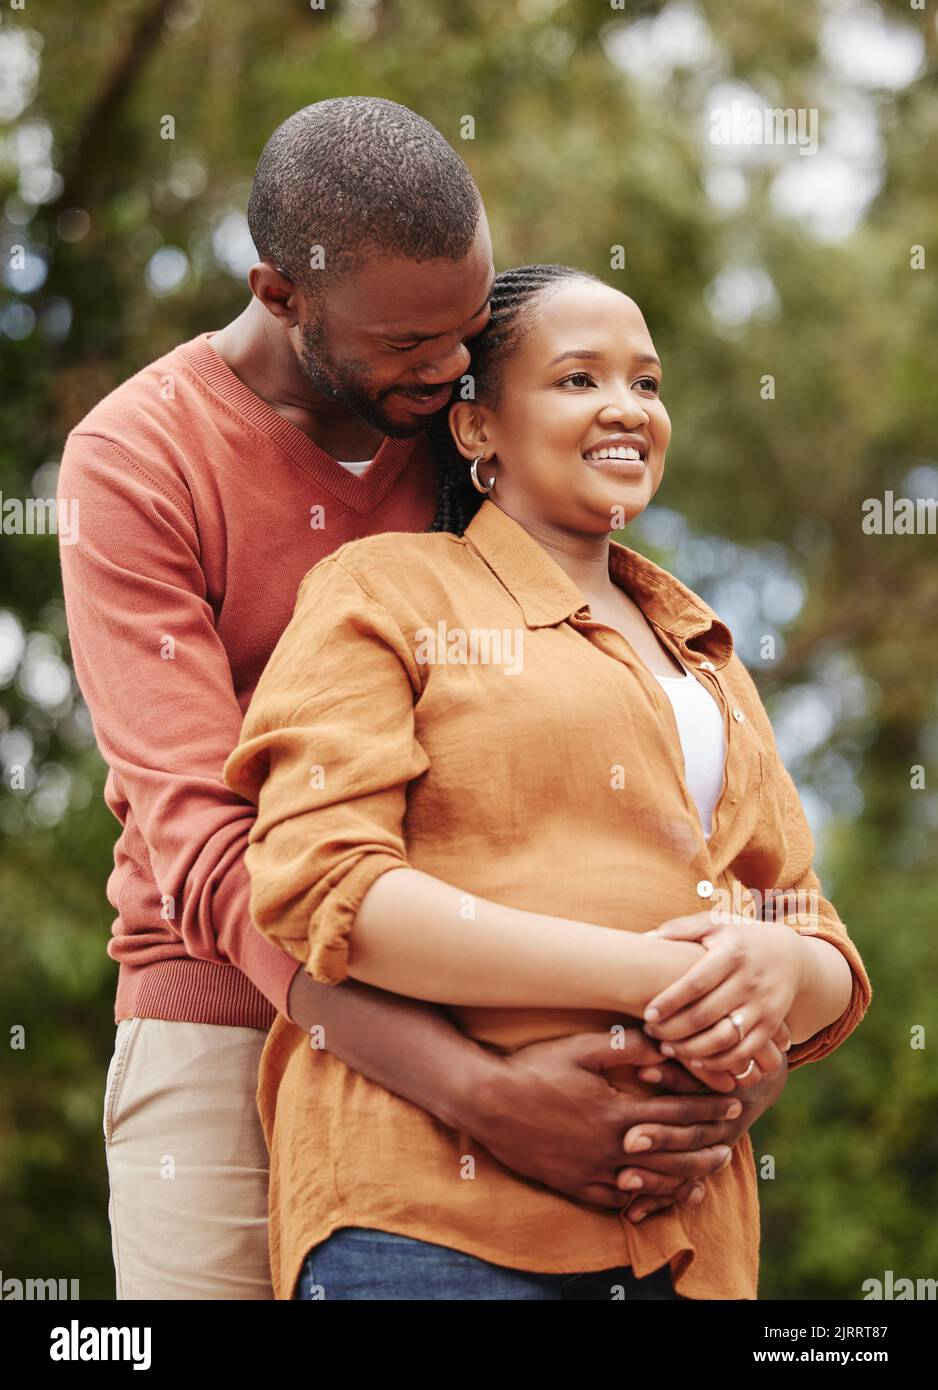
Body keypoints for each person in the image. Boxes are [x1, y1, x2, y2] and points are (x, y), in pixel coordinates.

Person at [57, 97, 786, 1301]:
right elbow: (208, 851)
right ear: (281, 293)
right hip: (227, 1000)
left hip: (500, 989)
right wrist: (475, 1092)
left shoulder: (457, 423)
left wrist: (727, 1039)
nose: (450, 368)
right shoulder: (137, 459)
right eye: (410, 345)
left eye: (467, 331)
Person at [224, 264, 873, 1302]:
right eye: (578, 379)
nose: (625, 408)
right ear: (476, 427)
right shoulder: (385, 591)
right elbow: (325, 886)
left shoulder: (705, 651)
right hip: (427, 1217)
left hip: (685, 1237)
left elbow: (814, 934)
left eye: (647, 385)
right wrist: (650, 978)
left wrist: (771, 969)